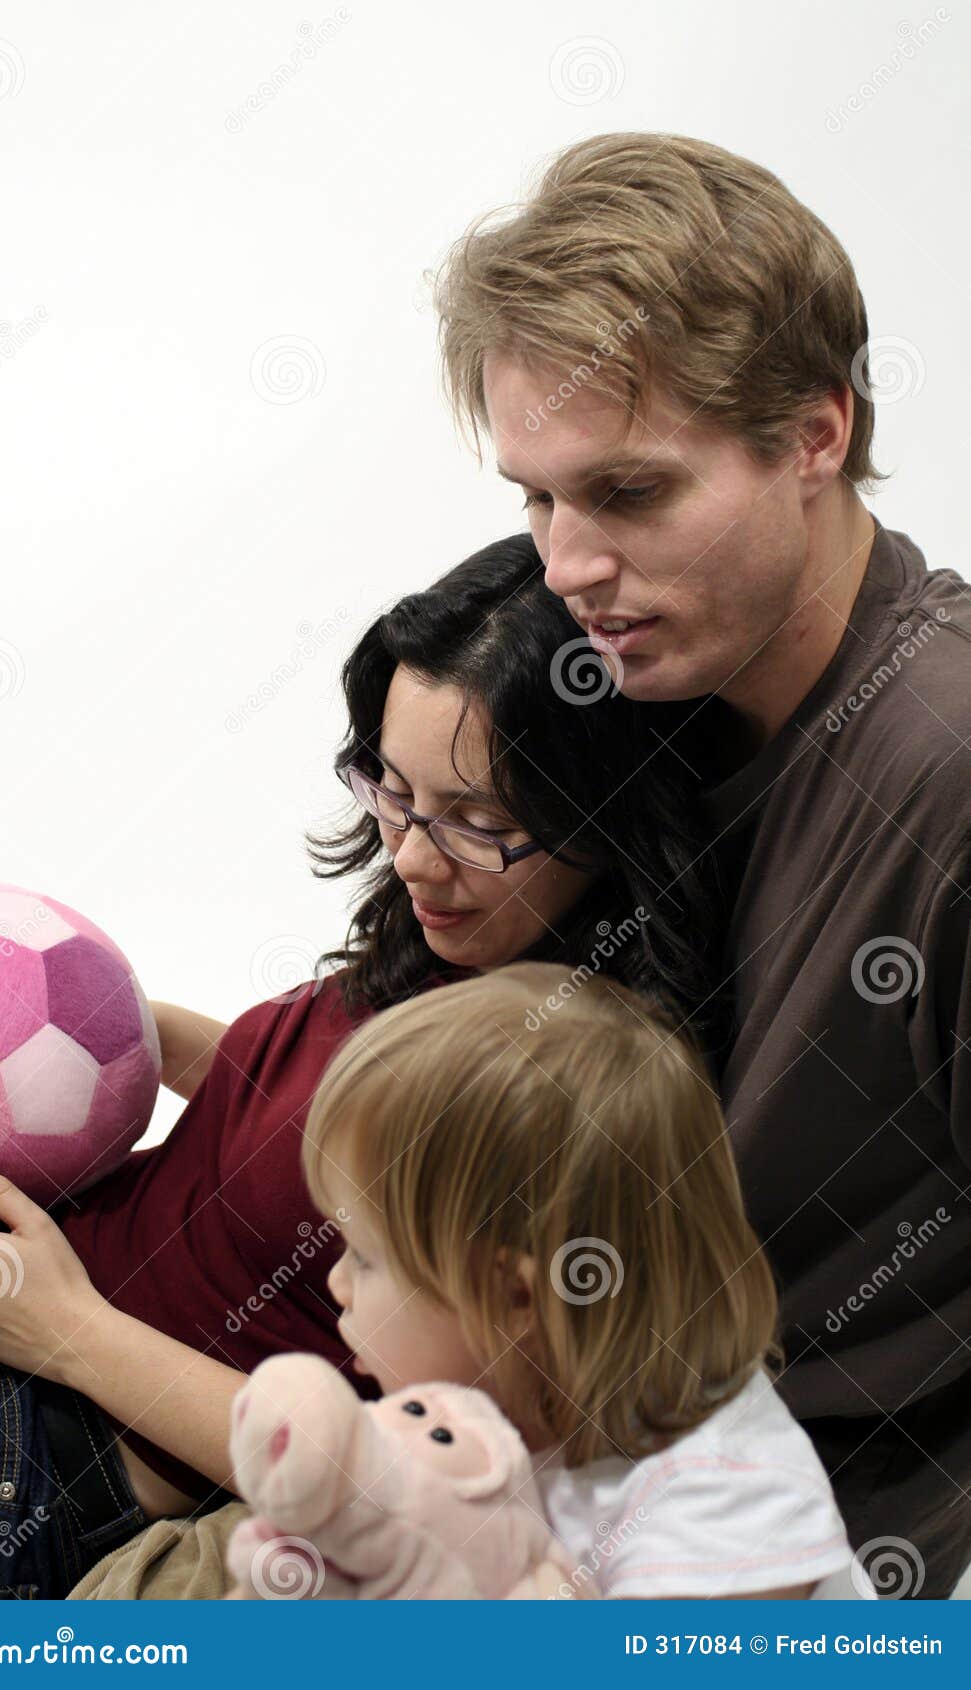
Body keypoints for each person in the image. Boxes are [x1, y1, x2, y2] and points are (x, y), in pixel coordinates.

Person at [0, 535, 728, 1599]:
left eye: (481, 823)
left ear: (607, 818)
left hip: (38, 1452)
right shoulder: (444, 942)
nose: (415, 856)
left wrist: (66, 1330)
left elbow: (387, 1480)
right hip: (2, 1301)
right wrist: (58, 1014)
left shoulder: (557, 1089)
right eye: (393, 790)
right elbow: (287, 1111)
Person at [434, 131, 971, 1598]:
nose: (563, 564)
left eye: (626, 493)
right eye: (534, 498)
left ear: (811, 435)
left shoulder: (940, 766)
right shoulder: (660, 698)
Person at [299, 959, 872, 1599]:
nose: (337, 1283)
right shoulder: (507, 1410)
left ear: (515, 1297)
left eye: (363, 1256)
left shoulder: (718, 1511)